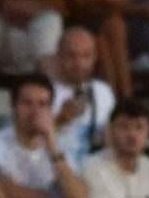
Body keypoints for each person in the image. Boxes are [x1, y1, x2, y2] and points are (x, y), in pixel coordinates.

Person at [0, 72, 90, 198]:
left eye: (42, 104)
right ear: (13, 106)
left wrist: (52, 147)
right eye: (27, 103)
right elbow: (2, 184)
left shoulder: (60, 149)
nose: (35, 111)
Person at [48, 0, 130, 97]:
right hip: (66, 16)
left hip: (104, 13)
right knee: (104, 32)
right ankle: (119, 99)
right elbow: (73, 0)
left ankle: (120, 98)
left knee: (114, 24)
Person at [47, 26, 113, 164]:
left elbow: (111, 144)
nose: (79, 63)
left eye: (86, 56)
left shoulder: (103, 92)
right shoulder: (42, 90)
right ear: (59, 56)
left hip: (92, 174)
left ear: (95, 57)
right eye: (71, 56)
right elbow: (26, 143)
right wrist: (60, 121)